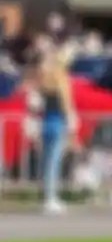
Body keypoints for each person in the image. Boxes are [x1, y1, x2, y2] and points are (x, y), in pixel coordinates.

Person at [33, 40, 78, 215]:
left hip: (46, 122)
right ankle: (50, 198)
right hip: (57, 121)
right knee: (53, 162)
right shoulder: (61, 79)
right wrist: (71, 120)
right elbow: (66, 103)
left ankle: (47, 196)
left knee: (47, 161)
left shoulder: (44, 80)